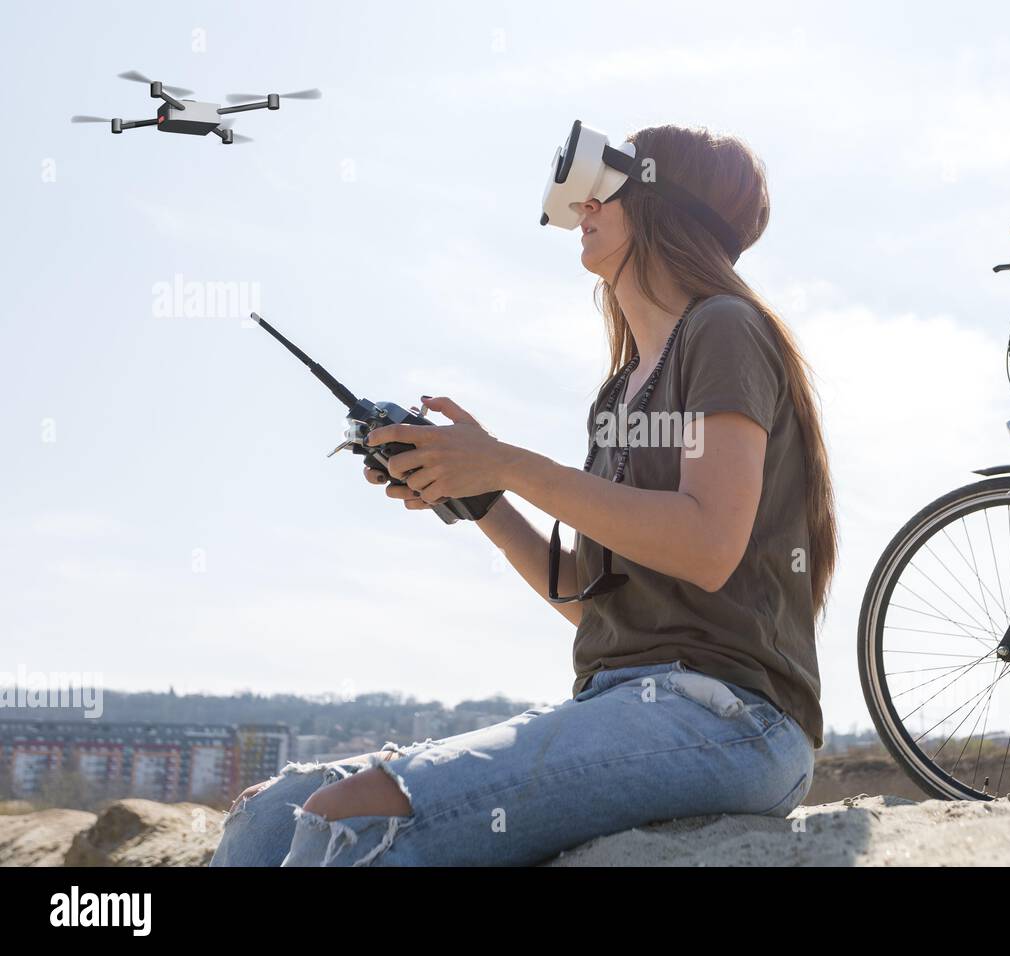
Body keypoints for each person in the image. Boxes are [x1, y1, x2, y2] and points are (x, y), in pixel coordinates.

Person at [209, 122, 837, 866]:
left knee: (354, 816)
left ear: (664, 209)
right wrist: (479, 496)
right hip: (617, 703)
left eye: (607, 192)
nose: (584, 209)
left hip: (731, 719)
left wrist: (505, 463)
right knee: (266, 818)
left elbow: (706, 546)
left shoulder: (724, 330)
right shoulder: (619, 394)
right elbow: (586, 595)